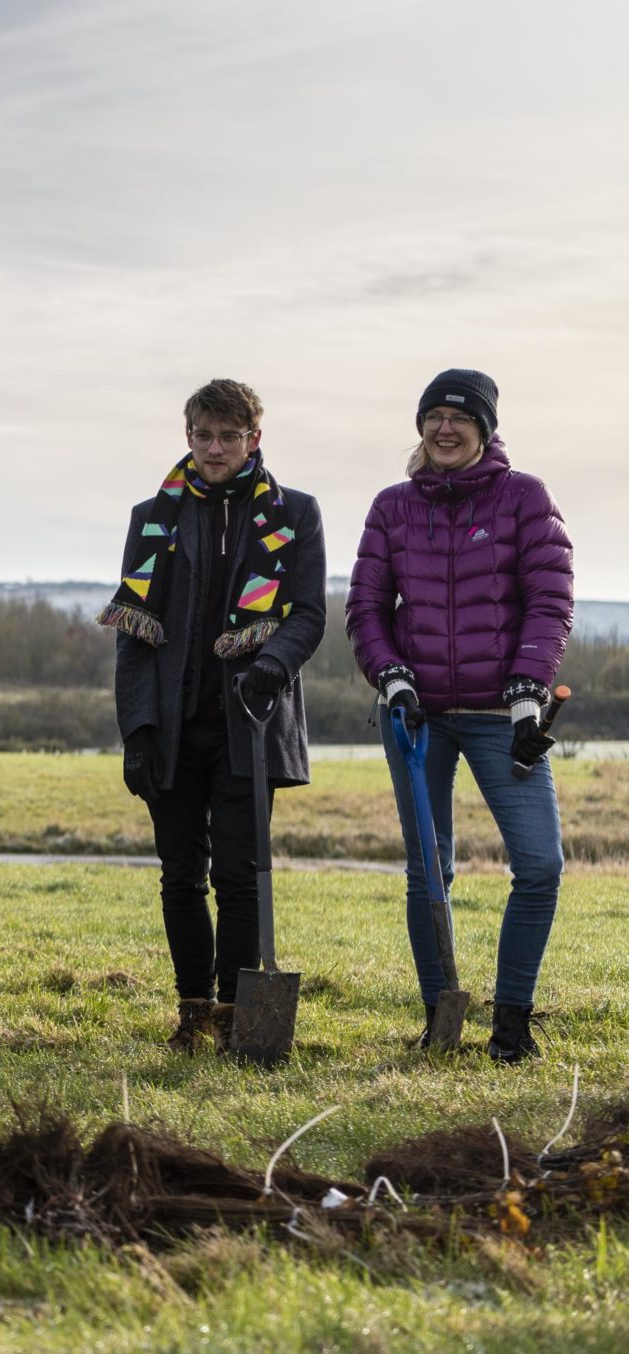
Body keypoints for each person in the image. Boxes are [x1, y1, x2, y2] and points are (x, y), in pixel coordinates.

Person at [345, 369, 572, 1064]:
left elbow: (551, 597)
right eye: (434, 415)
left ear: (486, 428)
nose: (446, 428)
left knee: (539, 864)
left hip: (506, 716)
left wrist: (530, 685)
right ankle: (439, 1016)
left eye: (461, 417)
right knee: (428, 869)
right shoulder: (392, 507)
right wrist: (389, 674)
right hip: (417, 717)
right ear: (421, 425)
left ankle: (511, 1022)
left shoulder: (524, 498)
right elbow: (365, 607)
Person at [102, 379, 327, 1053]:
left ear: (254, 439)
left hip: (249, 724)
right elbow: (133, 633)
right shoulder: (154, 517)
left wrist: (270, 664)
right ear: (188, 436)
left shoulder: (294, 514)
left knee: (239, 874)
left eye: (230, 436)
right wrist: (137, 730)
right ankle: (193, 1009)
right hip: (174, 728)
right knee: (180, 875)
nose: (215, 448)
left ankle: (236, 1012)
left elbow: (310, 613)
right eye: (204, 435)